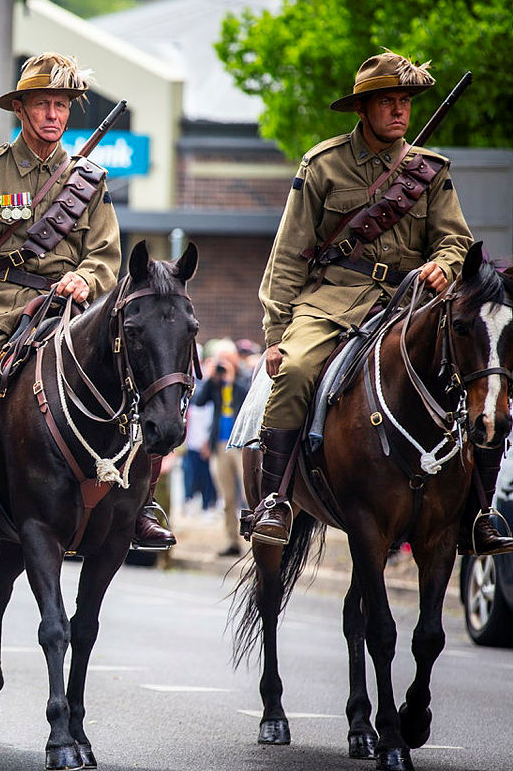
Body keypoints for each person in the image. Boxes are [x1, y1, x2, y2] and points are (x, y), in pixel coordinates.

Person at [251, 50, 512, 556]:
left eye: (406, 102)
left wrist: (445, 263)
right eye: (388, 101)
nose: (399, 111)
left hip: (410, 302)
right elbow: (286, 255)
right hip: (332, 299)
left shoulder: (430, 172)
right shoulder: (322, 165)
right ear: (363, 109)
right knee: (299, 370)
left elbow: (456, 240)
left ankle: (480, 513)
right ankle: (273, 504)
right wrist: (276, 333)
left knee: (484, 379)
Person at [0, 53, 171, 553]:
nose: (53, 114)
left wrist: (85, 277)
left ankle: (140, 504)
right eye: (42, 105)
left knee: (142, 377)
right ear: (21, 110)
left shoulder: (89, 181)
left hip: (68, 311)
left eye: (61, 105)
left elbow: (105, 256)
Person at [192, 339, 251, 556]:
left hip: (242, 445)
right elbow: (198, 401)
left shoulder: (245, 377)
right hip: (220, 444)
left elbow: (249, 400)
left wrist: (232, 380)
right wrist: (210, 378)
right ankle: (231, 541)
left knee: (249, 494)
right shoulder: (215, 382)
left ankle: (258, 542)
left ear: (235, 358)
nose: (224, 364)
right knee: (227, 497)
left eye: (227, 359)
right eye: (221, 359)